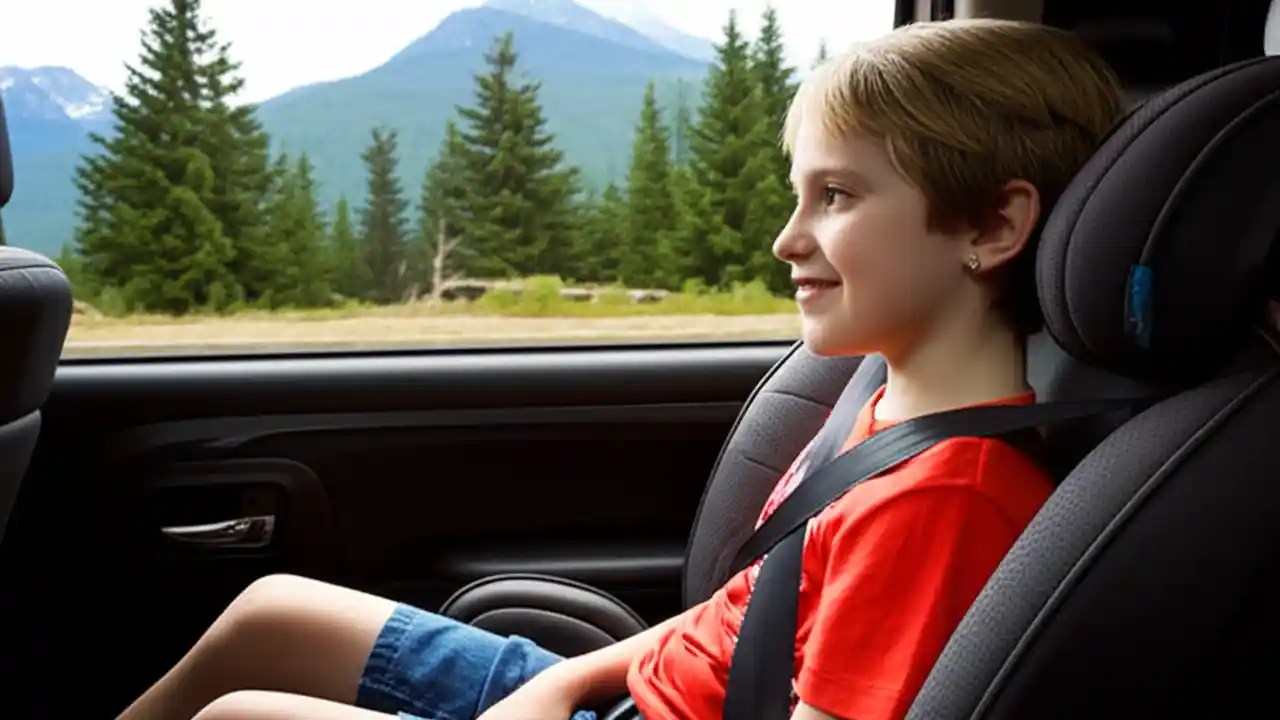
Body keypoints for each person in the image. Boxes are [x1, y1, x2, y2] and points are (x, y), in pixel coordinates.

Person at [117, 18, 1125, 720]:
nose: (785, 239)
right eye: (796, 194)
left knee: (244, 714)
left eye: (835, 197)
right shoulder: (885, 403)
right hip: (645, 690)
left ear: (991, 225)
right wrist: (560, 684)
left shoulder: (942, 498)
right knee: (270, 610)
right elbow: (738, 614)